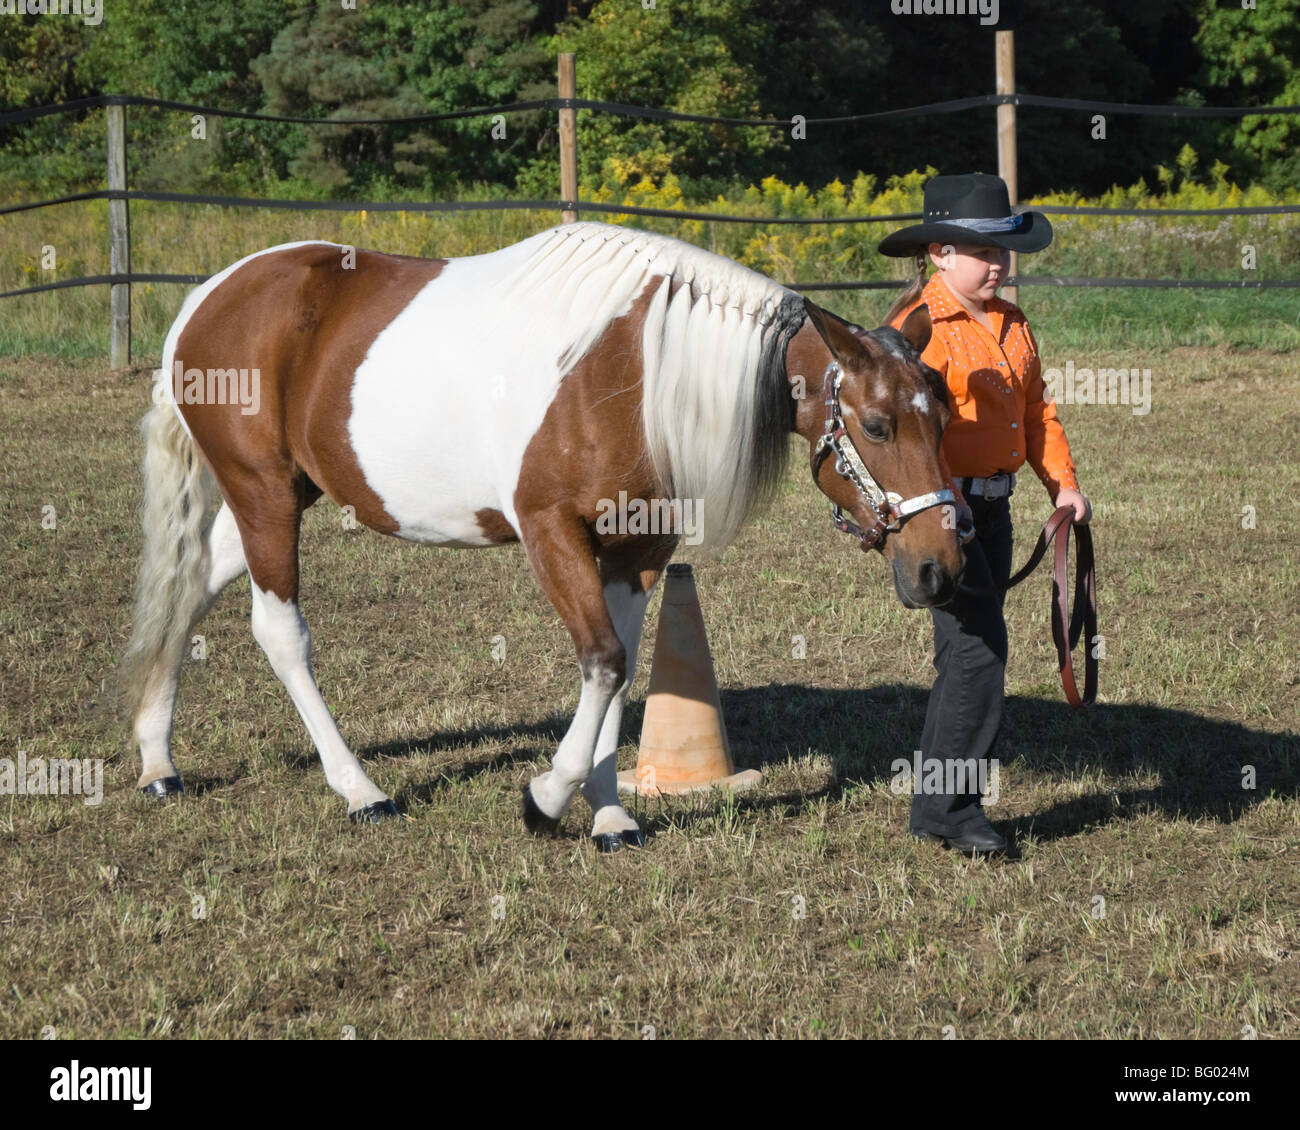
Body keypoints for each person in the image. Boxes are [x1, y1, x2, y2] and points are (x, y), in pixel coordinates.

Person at [875, 173, 1092, 855]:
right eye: (982, 251)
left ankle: (937, 805)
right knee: (977, 655)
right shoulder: (911, 332)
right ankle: (951, 810)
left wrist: (1063, 484)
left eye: (1003, 251)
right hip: (944, 516)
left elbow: (1036, 413)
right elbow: (894, 431)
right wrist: (939, 496)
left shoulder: (1014, 325)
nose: (998, 264)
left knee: (967, 656)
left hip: (994, 513)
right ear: (939, 252)